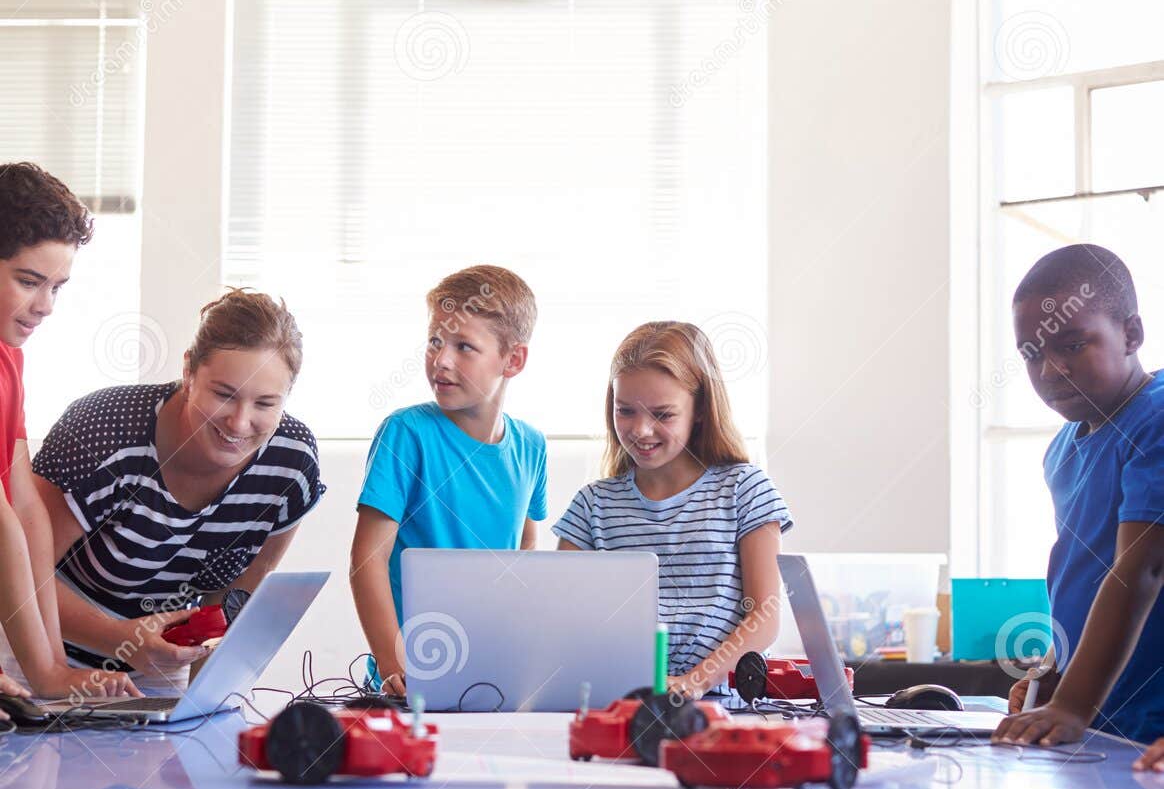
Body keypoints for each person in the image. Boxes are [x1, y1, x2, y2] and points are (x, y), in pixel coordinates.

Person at [30, 289, 324, 689]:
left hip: (160, 666)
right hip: (43, 655)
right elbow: (20, 574)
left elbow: (244, 587)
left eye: (265, 403)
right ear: (188, 371)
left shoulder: (291, 463)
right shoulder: (102, 431)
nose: (239, 423)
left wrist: (201, 699)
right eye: (224, 395)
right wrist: (119, 639)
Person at [553, 320, 791, 698]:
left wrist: (692, 684)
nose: (641, 430)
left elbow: (764, 616)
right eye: (625, 411)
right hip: (619, 702)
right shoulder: (592, 506)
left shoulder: (744, 489)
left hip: (718, 706)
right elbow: (559, 619)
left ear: (699, 409)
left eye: (662, 414)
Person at [993, 244, 1164, 748]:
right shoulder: (1062, 452)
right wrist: (1053, 678)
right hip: (1103, 731)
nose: (1049, 371)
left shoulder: (1156, 421)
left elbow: (1143, 568)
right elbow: (1079, 579)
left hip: (1152, 736)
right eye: (1031, 354)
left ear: (1131, 334)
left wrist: (1071, 704)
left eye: (1071, 345)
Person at [351, 265, 546, 695]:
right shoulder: (406, 433)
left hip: (494, 672)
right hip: (409, 674)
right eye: (435, 342)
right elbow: (367, 562)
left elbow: (527, 544)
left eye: (464, 347)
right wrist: (390, 663)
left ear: (512, 360)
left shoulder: (532, 446)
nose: (441, 359)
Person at [0, 162, 131, 703]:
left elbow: (24, 501)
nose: (46, 306)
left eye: (56, 286)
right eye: (29, 282)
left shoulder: (9, 360)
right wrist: (49, 676)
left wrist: (52, 664)